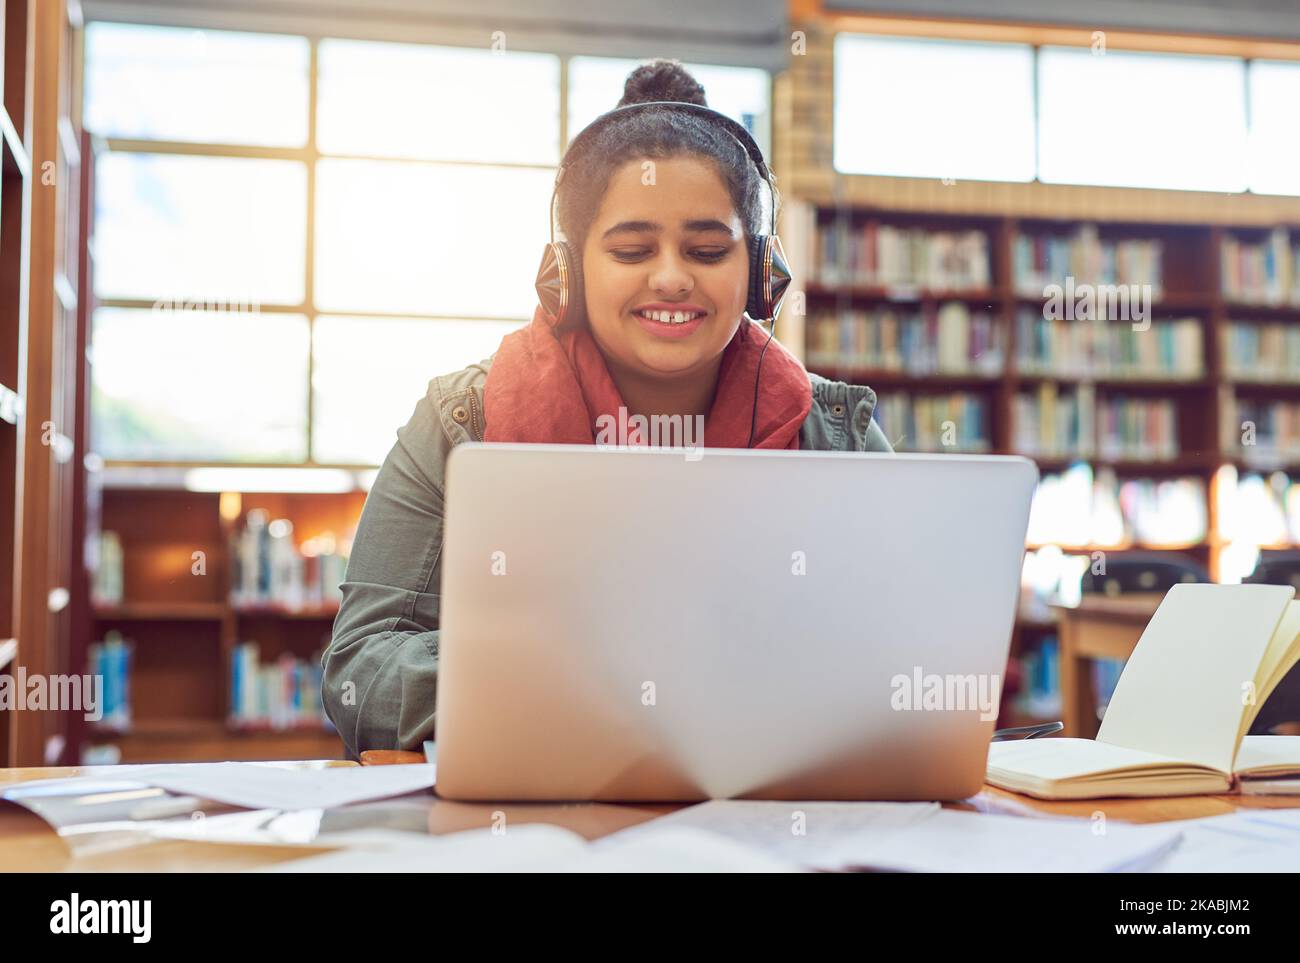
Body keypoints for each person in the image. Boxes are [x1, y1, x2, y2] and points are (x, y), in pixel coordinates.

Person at [322, 59, 893, 759]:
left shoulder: (837, 435)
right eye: (631, 248)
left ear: (760, 274)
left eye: (708, 249)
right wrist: (564, 665)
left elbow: (911, 660)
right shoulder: (457, 420)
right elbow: (359, 673)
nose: (672, 277)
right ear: (567, 273)